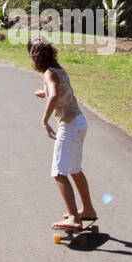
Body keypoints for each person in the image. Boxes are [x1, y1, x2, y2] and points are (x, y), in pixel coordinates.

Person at [28, 36, 97, 231]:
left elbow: (56, 94)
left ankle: (73, 218)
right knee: (75, 169)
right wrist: (45, 93)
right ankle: (88, 209)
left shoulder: (49, 73)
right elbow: (61, 90)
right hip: (79, 121)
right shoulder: (59, 69)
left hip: (69, 125)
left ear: (35, 57)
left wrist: (44, 120)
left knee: (59, 172)